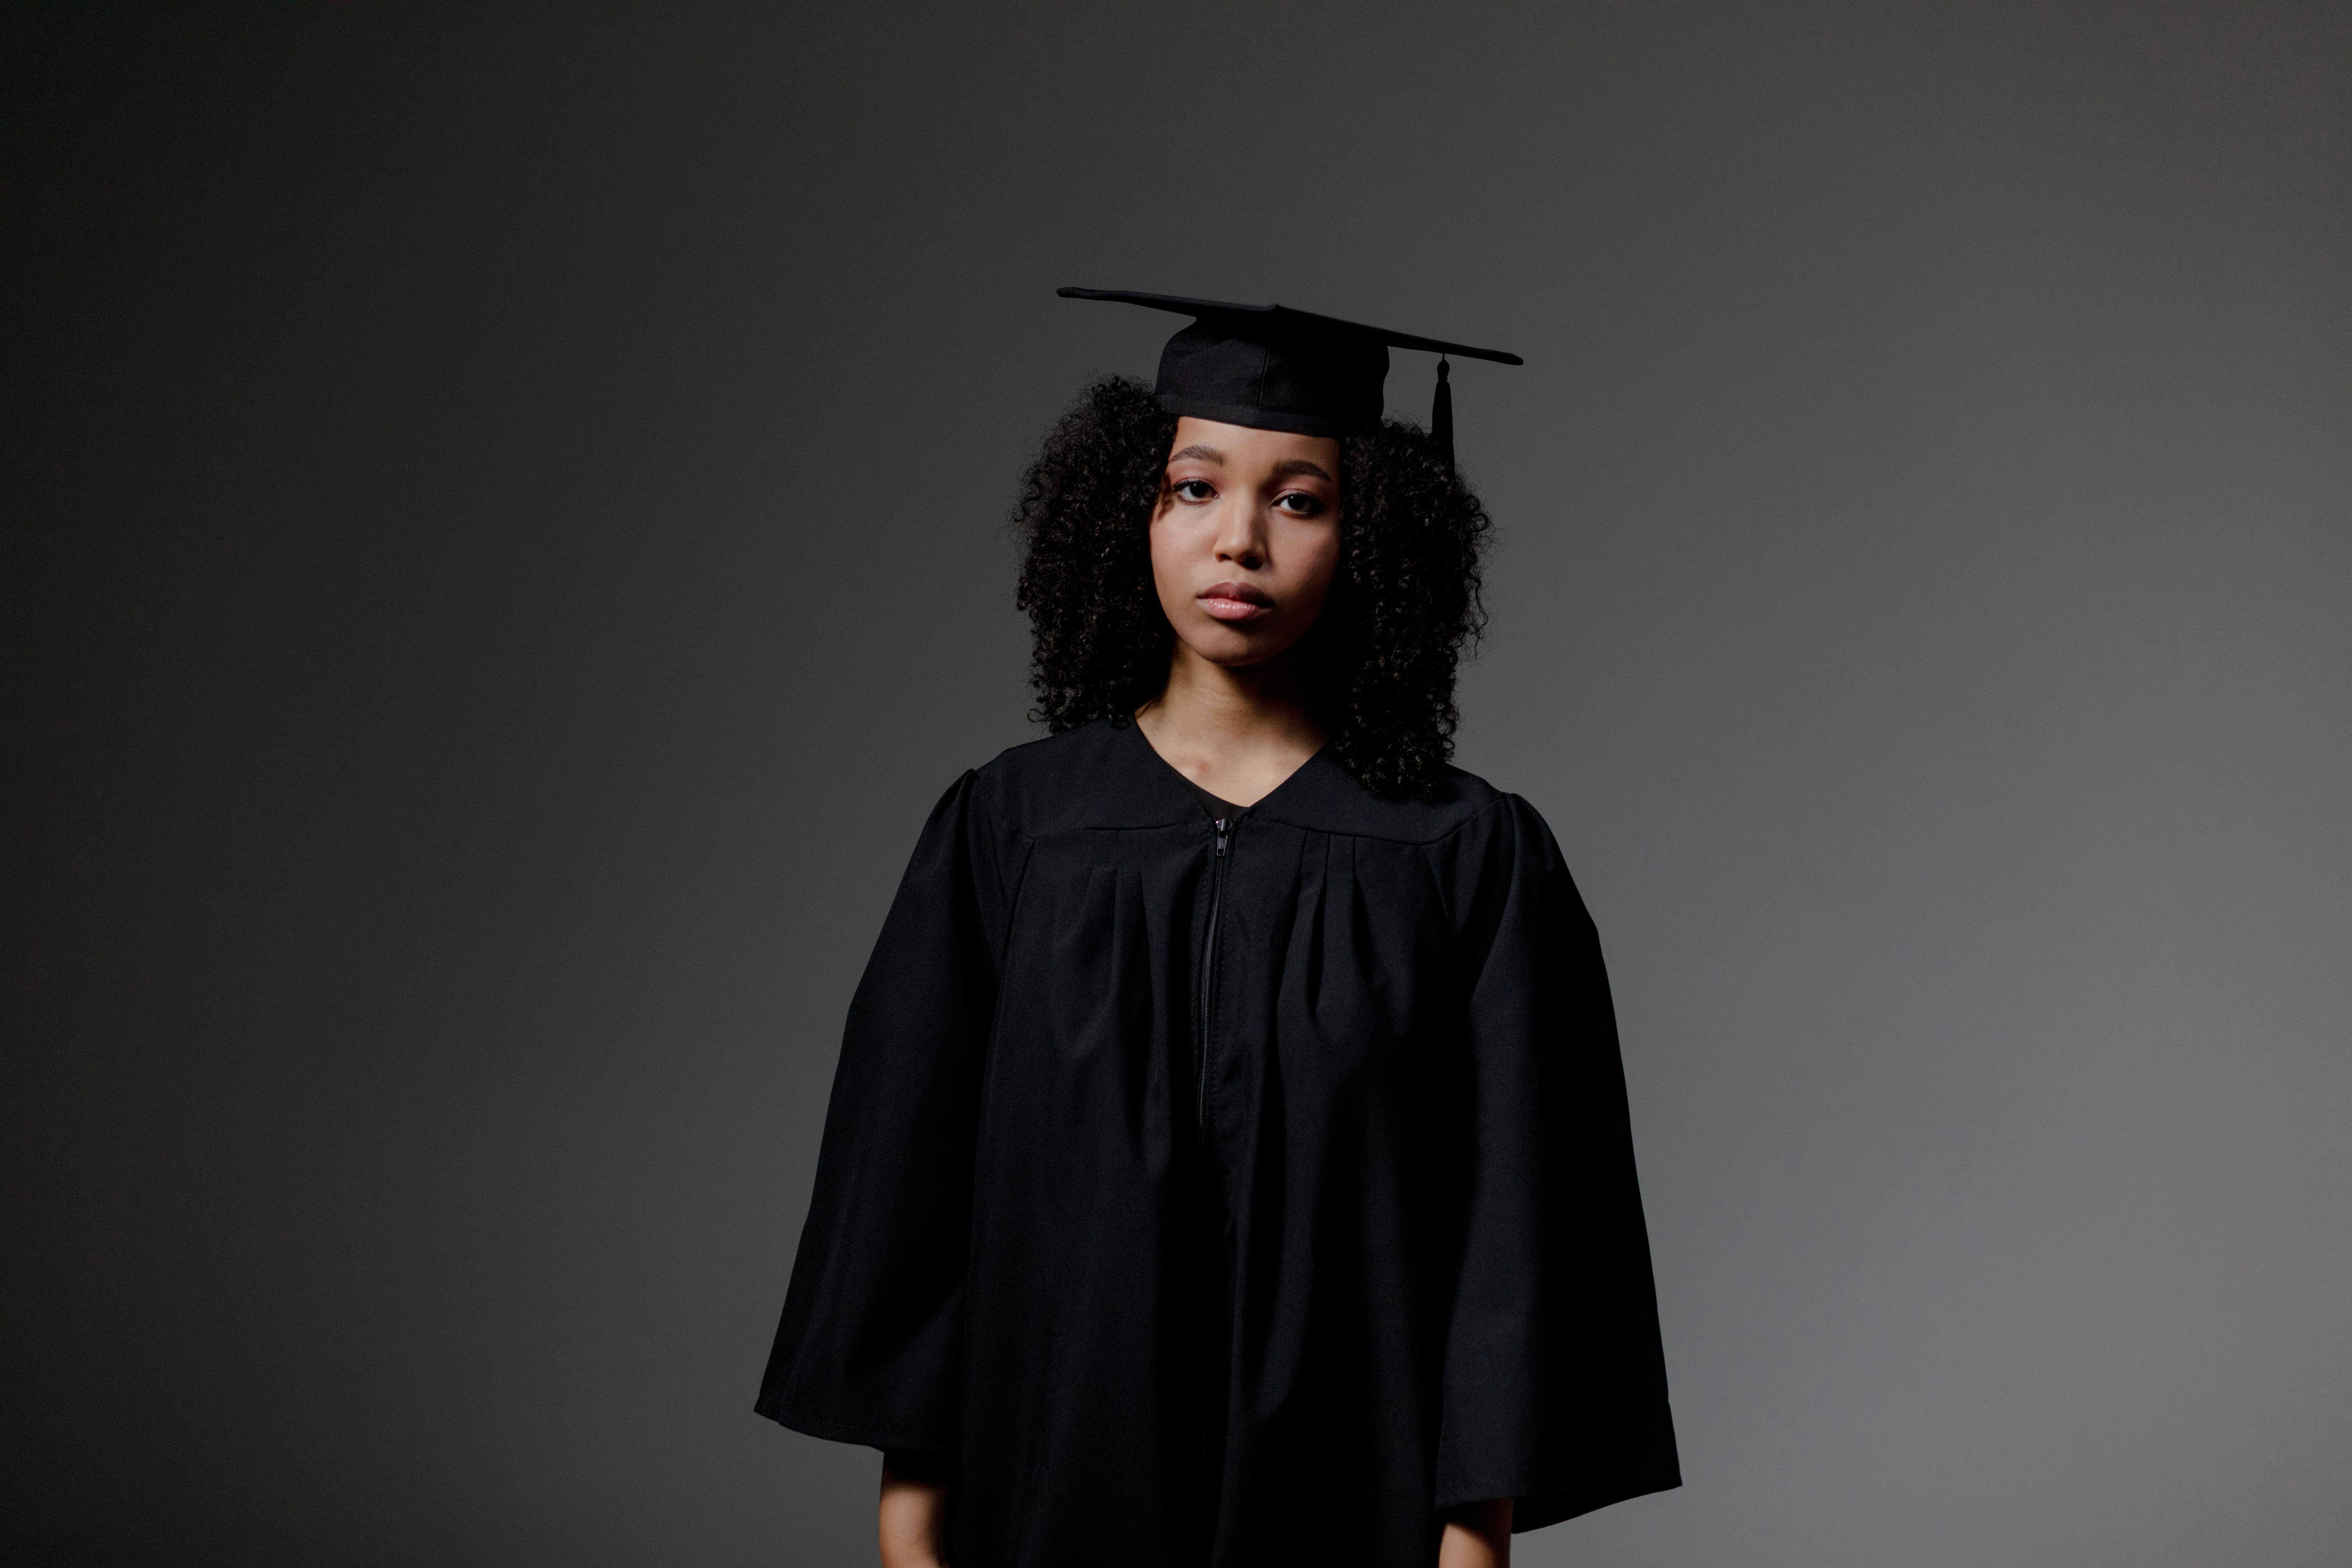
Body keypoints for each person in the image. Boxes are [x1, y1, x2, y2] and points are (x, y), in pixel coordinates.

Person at [757, 290, 1680, 1568]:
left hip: (1351, 1494)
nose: (1236, 539)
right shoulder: (1015, 828)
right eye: (1193, 488)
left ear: (1372, 536)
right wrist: (911, 1525)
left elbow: (1512, 1235)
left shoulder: (1463, 854)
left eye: (1298, 499)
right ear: (1124, 510)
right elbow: (910, 1184)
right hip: (1052, 1477)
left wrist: (1473, 1542)